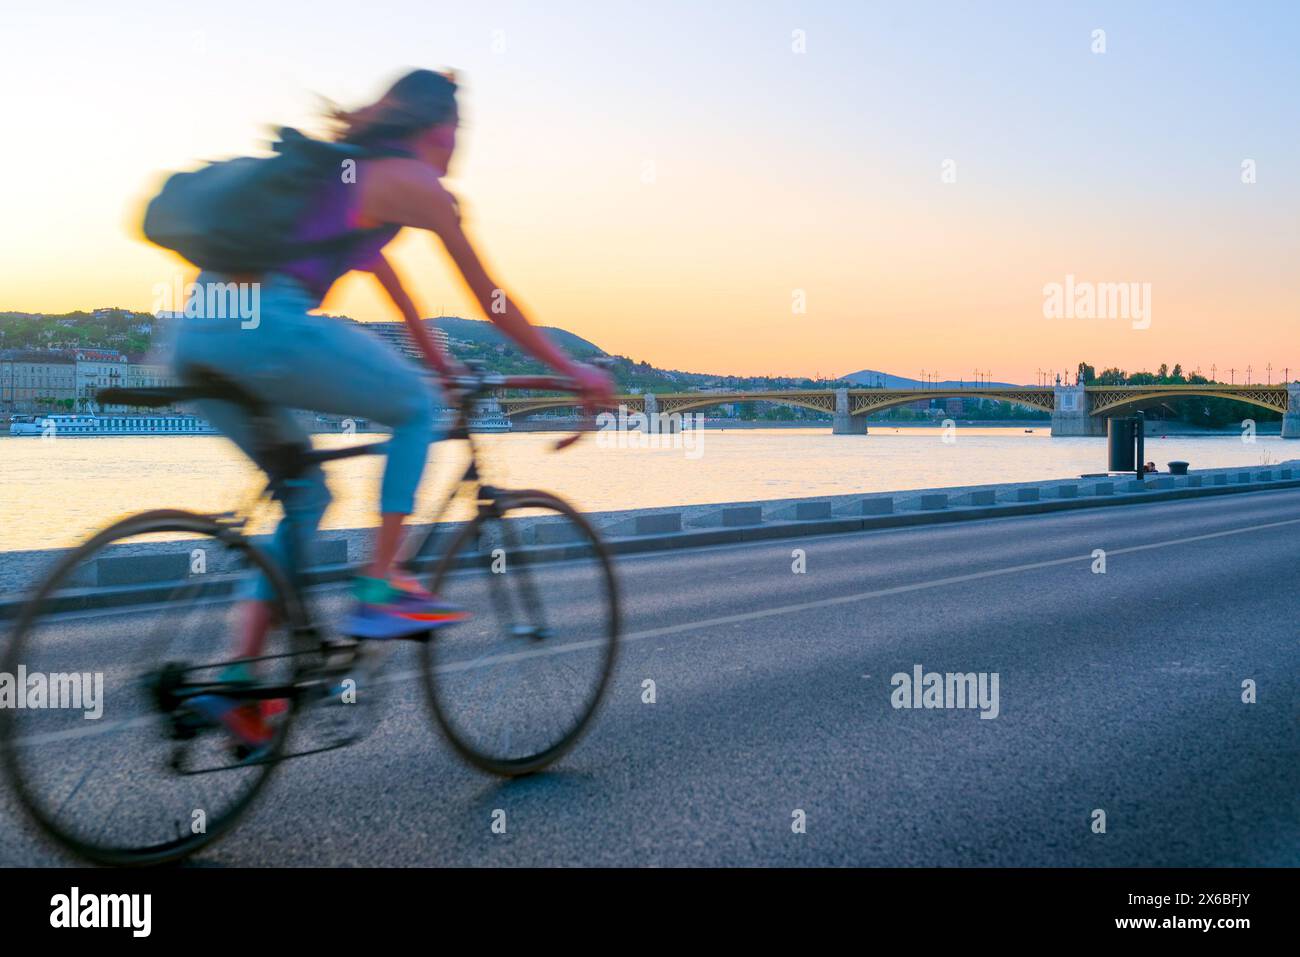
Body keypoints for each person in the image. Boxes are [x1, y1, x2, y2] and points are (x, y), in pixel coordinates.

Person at [174, 69, 614, 745]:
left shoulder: (347, 174)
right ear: (438, 127)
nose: (459, 144)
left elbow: (388, 278)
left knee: (305, 496)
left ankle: (238, 679)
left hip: (194, 335)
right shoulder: (417, 183)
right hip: (263, 324)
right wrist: (571, 368)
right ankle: (379, 584)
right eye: (459, 129)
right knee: (414, 409)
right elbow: (489, 298)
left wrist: (440, 361)